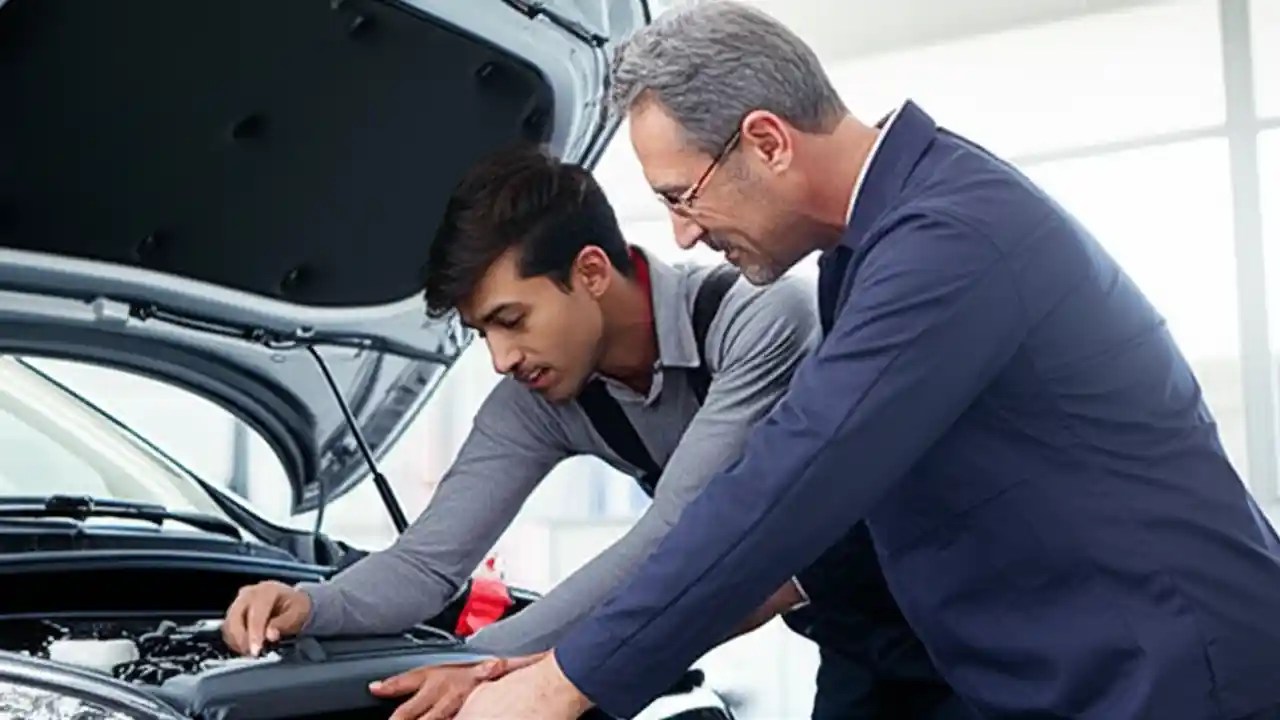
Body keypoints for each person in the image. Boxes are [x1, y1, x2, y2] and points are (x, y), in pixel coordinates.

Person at [454, 3, 1280, 720]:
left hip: (1179, 681)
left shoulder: (950, 240)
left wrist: (567, 684)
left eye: (681, 195)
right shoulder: (873, 252)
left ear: (767, 141)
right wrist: (567, 656)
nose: (682, 234)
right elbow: (826, 538)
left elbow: (789, 480)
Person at [219, 143, 964, 719]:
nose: (502, 357)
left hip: (966, 610)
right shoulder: (537, 395)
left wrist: (485, 665)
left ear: (593, 271)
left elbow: (680, 532)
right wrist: (313, 604)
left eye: (512, 320)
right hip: (851, 634)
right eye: (483, 332)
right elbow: (427, 564)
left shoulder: (760, 319)